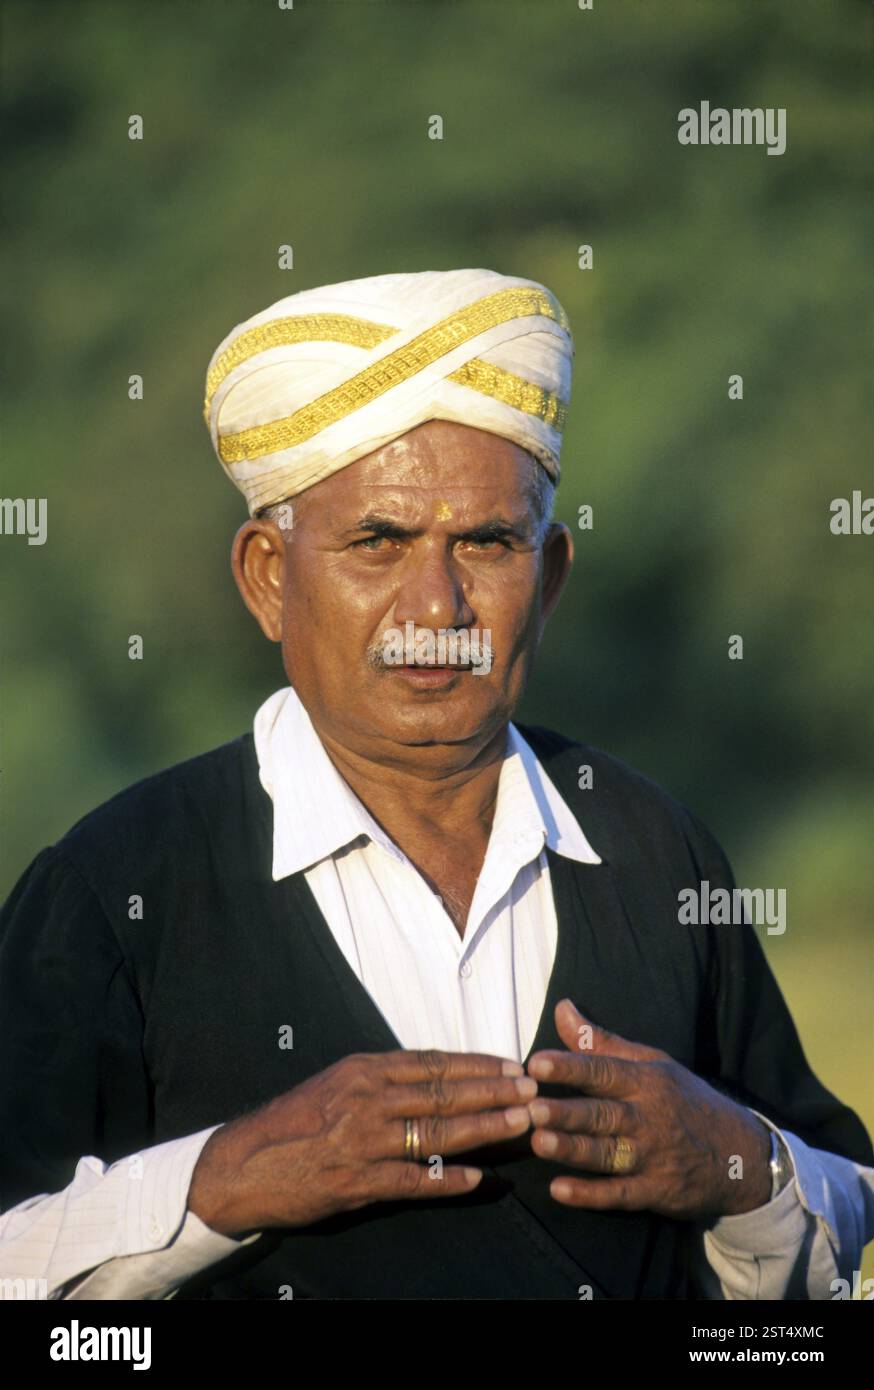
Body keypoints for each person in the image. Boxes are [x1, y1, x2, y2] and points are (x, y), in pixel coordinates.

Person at [1, 269, 871, 1301]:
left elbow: (831, 1228)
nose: (436, 603)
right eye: (378, 541)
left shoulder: (655, 851)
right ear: (269, 576)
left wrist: (735, 1162)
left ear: (546, 581)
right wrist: (222, 1178)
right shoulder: (119, 888)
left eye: (487, 544)